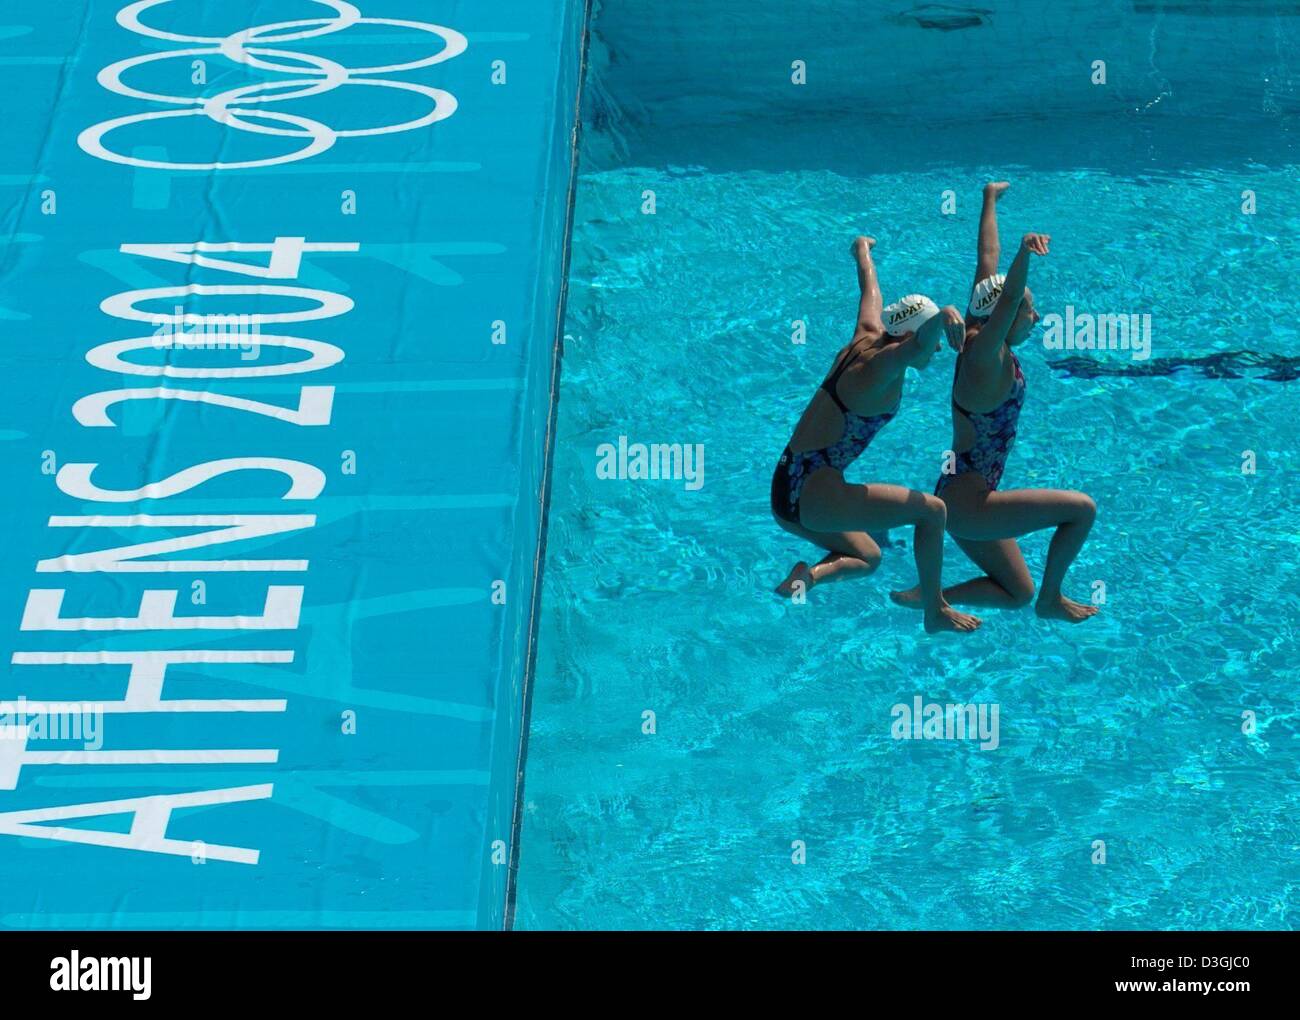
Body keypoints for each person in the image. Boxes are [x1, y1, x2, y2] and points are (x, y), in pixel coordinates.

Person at [891, 183, 1099, 622]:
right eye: (1029, 311)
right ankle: (1053, 599)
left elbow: (987, 261)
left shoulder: (975, 332)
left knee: (1015, 592)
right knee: (1081, 510)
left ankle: (932, 597)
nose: (1037, 318)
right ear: (1003, 316)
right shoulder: (985, 356)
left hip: (961, 498)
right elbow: (1006, 296)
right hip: (971, 508)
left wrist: (988, 201)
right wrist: (1024, 256)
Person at [772, 236, 981, 634]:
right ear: (909, 339)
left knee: (869, 556)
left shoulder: (868, 334)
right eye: (932, 342)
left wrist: (862, 253)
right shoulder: (878, 367)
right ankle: (934, 611)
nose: (936, 351)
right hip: (812, 494)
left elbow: (870, 291)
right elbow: (914, 345)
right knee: (933, 511)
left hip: (787, 487)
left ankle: (808, 576)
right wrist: (947, 314)